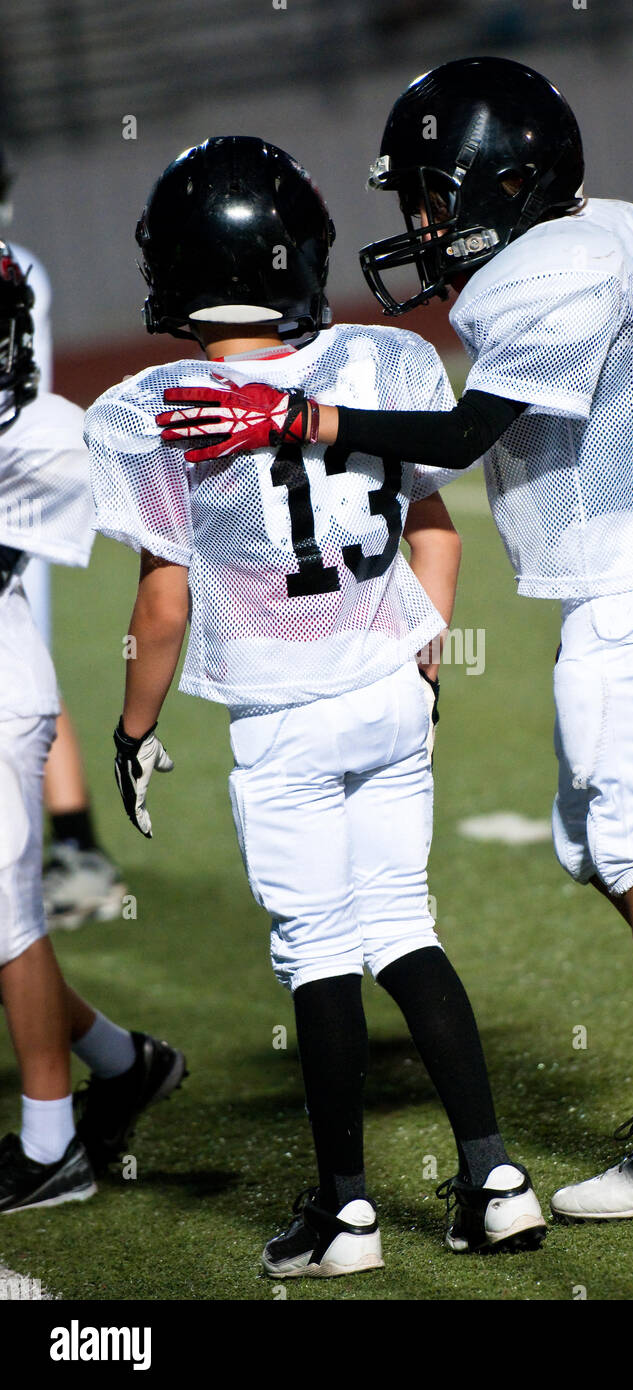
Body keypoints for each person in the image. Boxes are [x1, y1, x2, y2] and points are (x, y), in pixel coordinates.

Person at [162, 62, 633, 1222]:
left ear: (509, 186)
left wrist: (304, 415)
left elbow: (469, 433)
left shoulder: (551, 275)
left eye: (434, 197)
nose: (423, 226)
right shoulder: (613, 227)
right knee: (593, 840)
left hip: (628, 587)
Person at [85, 136, 546, 1278]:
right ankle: (493, 1174)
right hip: (388, 684)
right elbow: (434, 530)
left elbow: (162, 602)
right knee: (405, 924)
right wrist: (424, 658)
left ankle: (345, 1213)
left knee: (317, 949)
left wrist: (133, 731)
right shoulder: (384, 364)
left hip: (283, 710)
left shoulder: (159, 406)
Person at [0, 243, 185, 1214]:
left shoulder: (46, 433)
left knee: (7, 924)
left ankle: (49, 1146)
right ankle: (122, 1061)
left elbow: (166, 526)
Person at [0, 144, 125, 930]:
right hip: (26, 476)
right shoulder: (25, 263)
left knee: (21, 670)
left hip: (14, 480)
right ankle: (70, 847)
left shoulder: (17, 268)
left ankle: (74, 851)